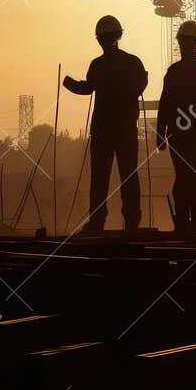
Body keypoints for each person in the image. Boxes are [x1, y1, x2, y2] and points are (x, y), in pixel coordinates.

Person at [64, 15, 148, 233]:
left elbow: (87, 88)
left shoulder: (98, 65)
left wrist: (68, 83)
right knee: (128, 175)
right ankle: (131, 222)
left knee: (100, 178)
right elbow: (140, 86)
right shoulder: (132, 63)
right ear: (118, 36)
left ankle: (98, 221)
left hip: (104, 132)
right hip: (125, 130)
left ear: (99, 40)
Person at [156, 19, 196, 235]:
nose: (183, 47)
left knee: (186, 177)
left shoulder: (176, 71)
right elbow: (166, 103)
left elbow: (166, 104)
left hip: (187, 135)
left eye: (184, 43)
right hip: (189, 135)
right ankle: (190, 222)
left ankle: (187, 222)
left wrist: (160, 133)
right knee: (190, 177)